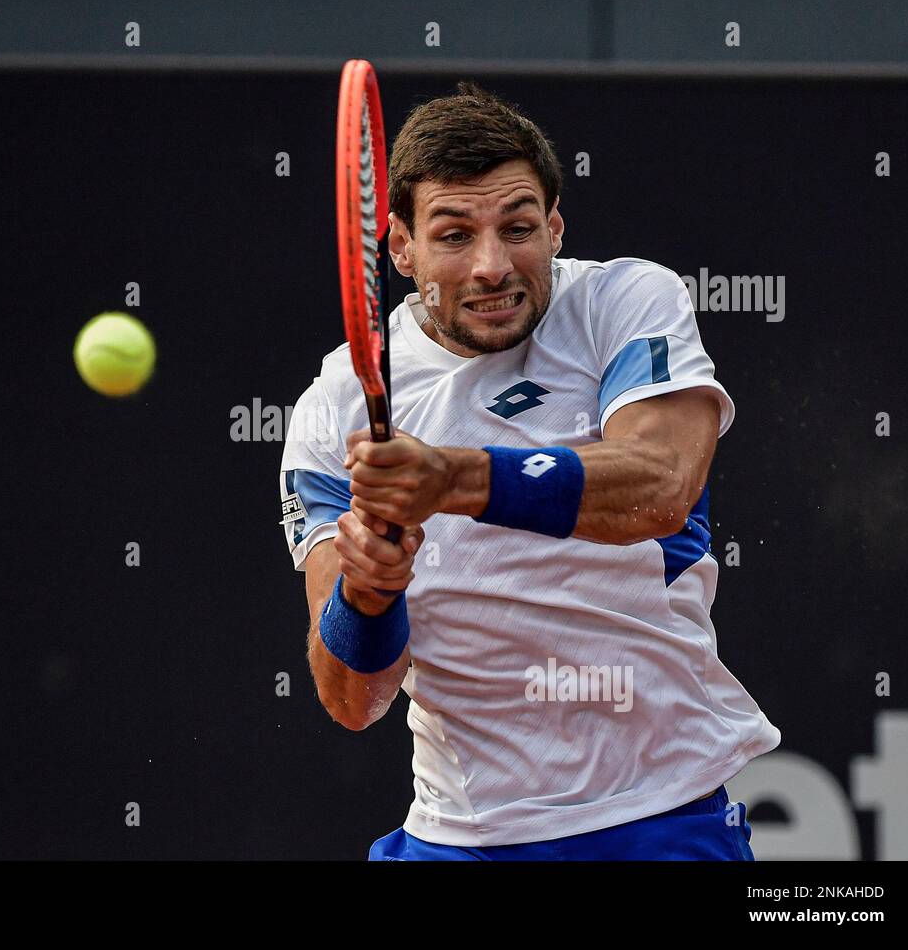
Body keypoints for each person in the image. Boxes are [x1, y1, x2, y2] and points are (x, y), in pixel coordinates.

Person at [278, 82, 780, 860]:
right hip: (454, 838)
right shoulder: (331, 406)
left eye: (517, 228)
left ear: (554, 227)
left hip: (654, 820)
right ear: (401, 247)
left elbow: (660, 488)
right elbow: (353, 699)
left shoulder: (624, 300)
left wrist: (452, 478)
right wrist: (369, 591)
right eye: (452, 235)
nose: (490, 266)